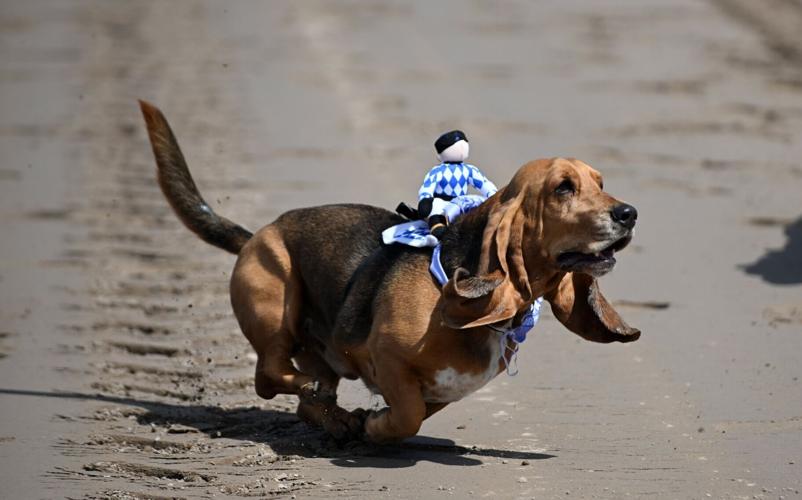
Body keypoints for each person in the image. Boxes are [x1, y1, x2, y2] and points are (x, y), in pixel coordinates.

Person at [417, 130, 498, 237]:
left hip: (461, 202)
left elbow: (484, 184)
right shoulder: (438, 171)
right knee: (436, 207)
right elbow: (428, 186)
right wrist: (425, 199)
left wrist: (494, 195)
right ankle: (437, 226)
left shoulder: (469, 170)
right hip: (443, 201)